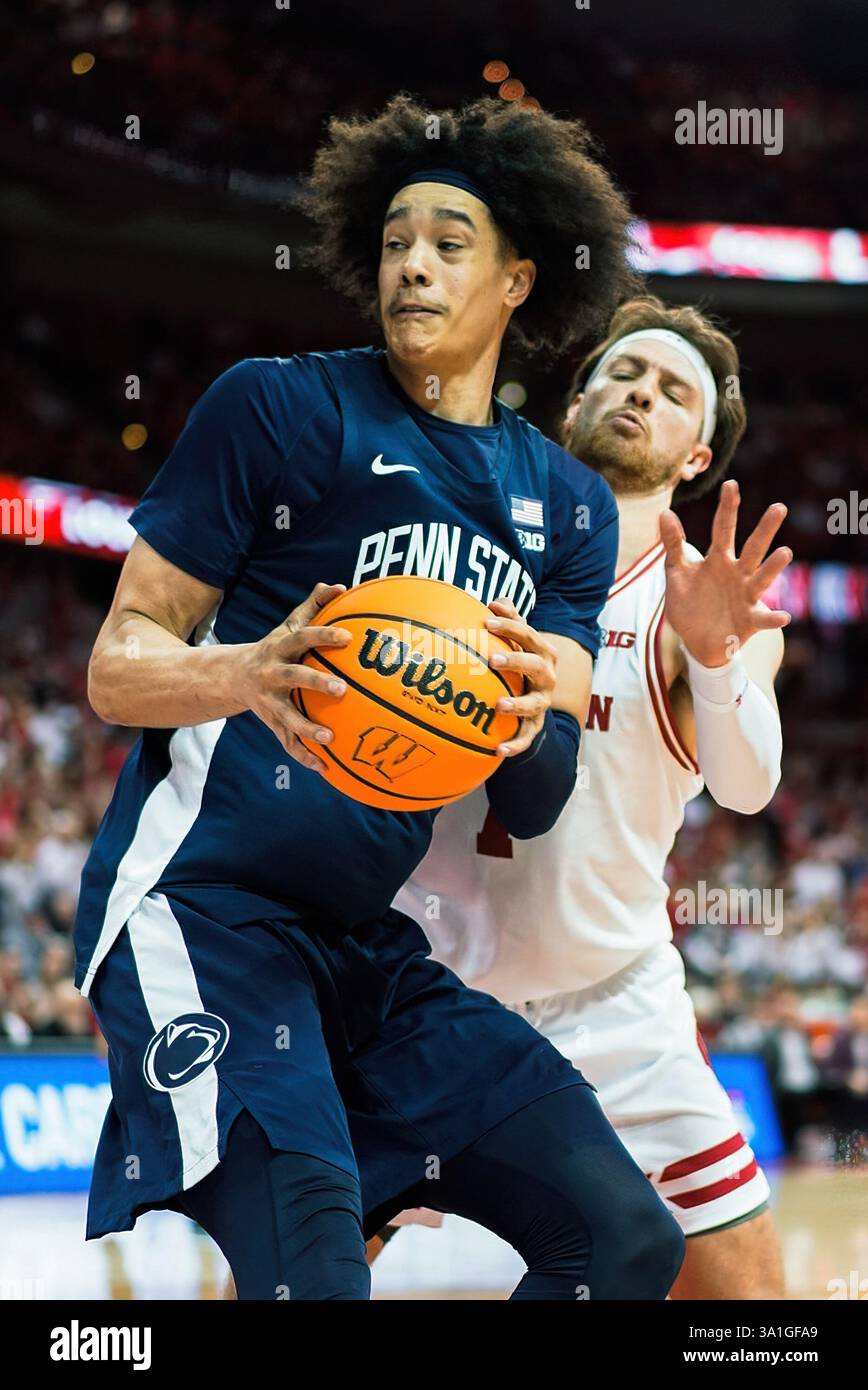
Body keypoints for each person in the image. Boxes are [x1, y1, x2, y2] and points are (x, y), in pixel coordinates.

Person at [76, 99, 684, 1300]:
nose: (413, 262)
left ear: (518, 278)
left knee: (623, 1237)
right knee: (320, 1271)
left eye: (450, 243)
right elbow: (114, 666)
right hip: (203, 917)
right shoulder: (281, 407)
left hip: (366, 950)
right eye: (398, 238)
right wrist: (244, 672)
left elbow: (539, 797)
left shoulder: (561, 505)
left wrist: (533, 709)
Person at [388, 295, 791, 1298]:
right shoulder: (452, 544)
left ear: (695, 456)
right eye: (621, 374)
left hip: (612, 1003)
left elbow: (746, 786)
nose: (640, 394)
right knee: (284, 1273)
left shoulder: (709, 608)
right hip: (420, 992)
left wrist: (713, 659)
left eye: (670, 393)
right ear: (573, 403)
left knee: (756, 1314)